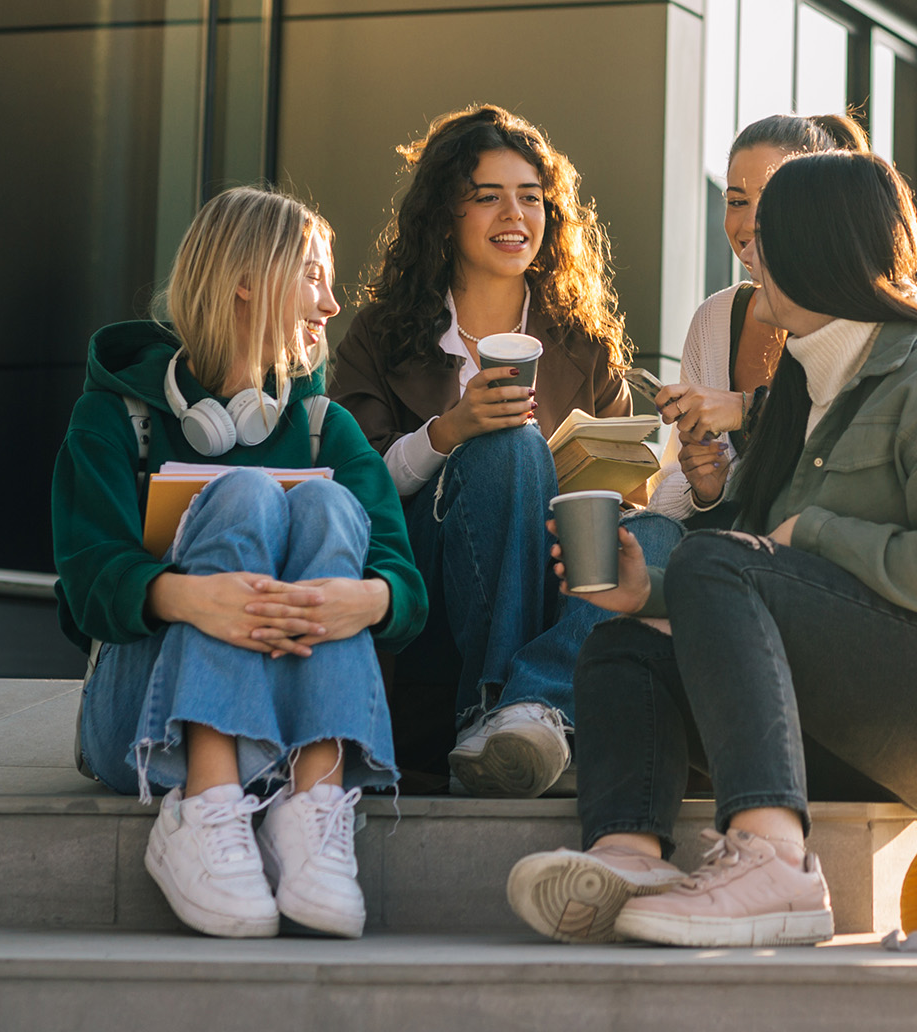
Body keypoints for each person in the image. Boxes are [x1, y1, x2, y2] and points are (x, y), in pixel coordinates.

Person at [506, 151, 917, 948]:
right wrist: (652, 593)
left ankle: (775, 864)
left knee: (718, 560)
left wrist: (807, 533)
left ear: (815, 247)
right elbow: (766, 589)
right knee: (621, 648)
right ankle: (628, 855)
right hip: (874, 713)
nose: (751, 252)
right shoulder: (801, 394)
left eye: (767, 235)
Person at [53, 186, 426, 939]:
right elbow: (85, 586)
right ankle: (207, 806)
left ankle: (313, 811)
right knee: (246, 495)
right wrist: (186, 598)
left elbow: (404, 582)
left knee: (324, 507)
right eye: (314, 276)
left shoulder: (326, 427)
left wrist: (369, 602)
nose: (330, 304)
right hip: (141, 727)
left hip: (293, 721)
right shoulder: (114, 420)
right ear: (248, 276)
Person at [331, 104, 681, 798]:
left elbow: (627, 499)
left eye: (530, 197)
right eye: (486, 197)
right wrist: (448, 432)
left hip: (553, 581)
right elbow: (351, 484)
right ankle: (491, 709)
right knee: (510, 449)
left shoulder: (582, 343)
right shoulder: (382, 335)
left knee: (663, 534)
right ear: (444, 215)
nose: (513, 215)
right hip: (430, 594)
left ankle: (529, 706)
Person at [646, 113, 869, 523]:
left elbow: (855, 454)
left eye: (769, 200)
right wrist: (706, 489)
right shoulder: (715, 320)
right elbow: (667, 491)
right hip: (725, 556)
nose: (748, 223)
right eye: (736, 202)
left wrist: (747, 409)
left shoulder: (860, 323)